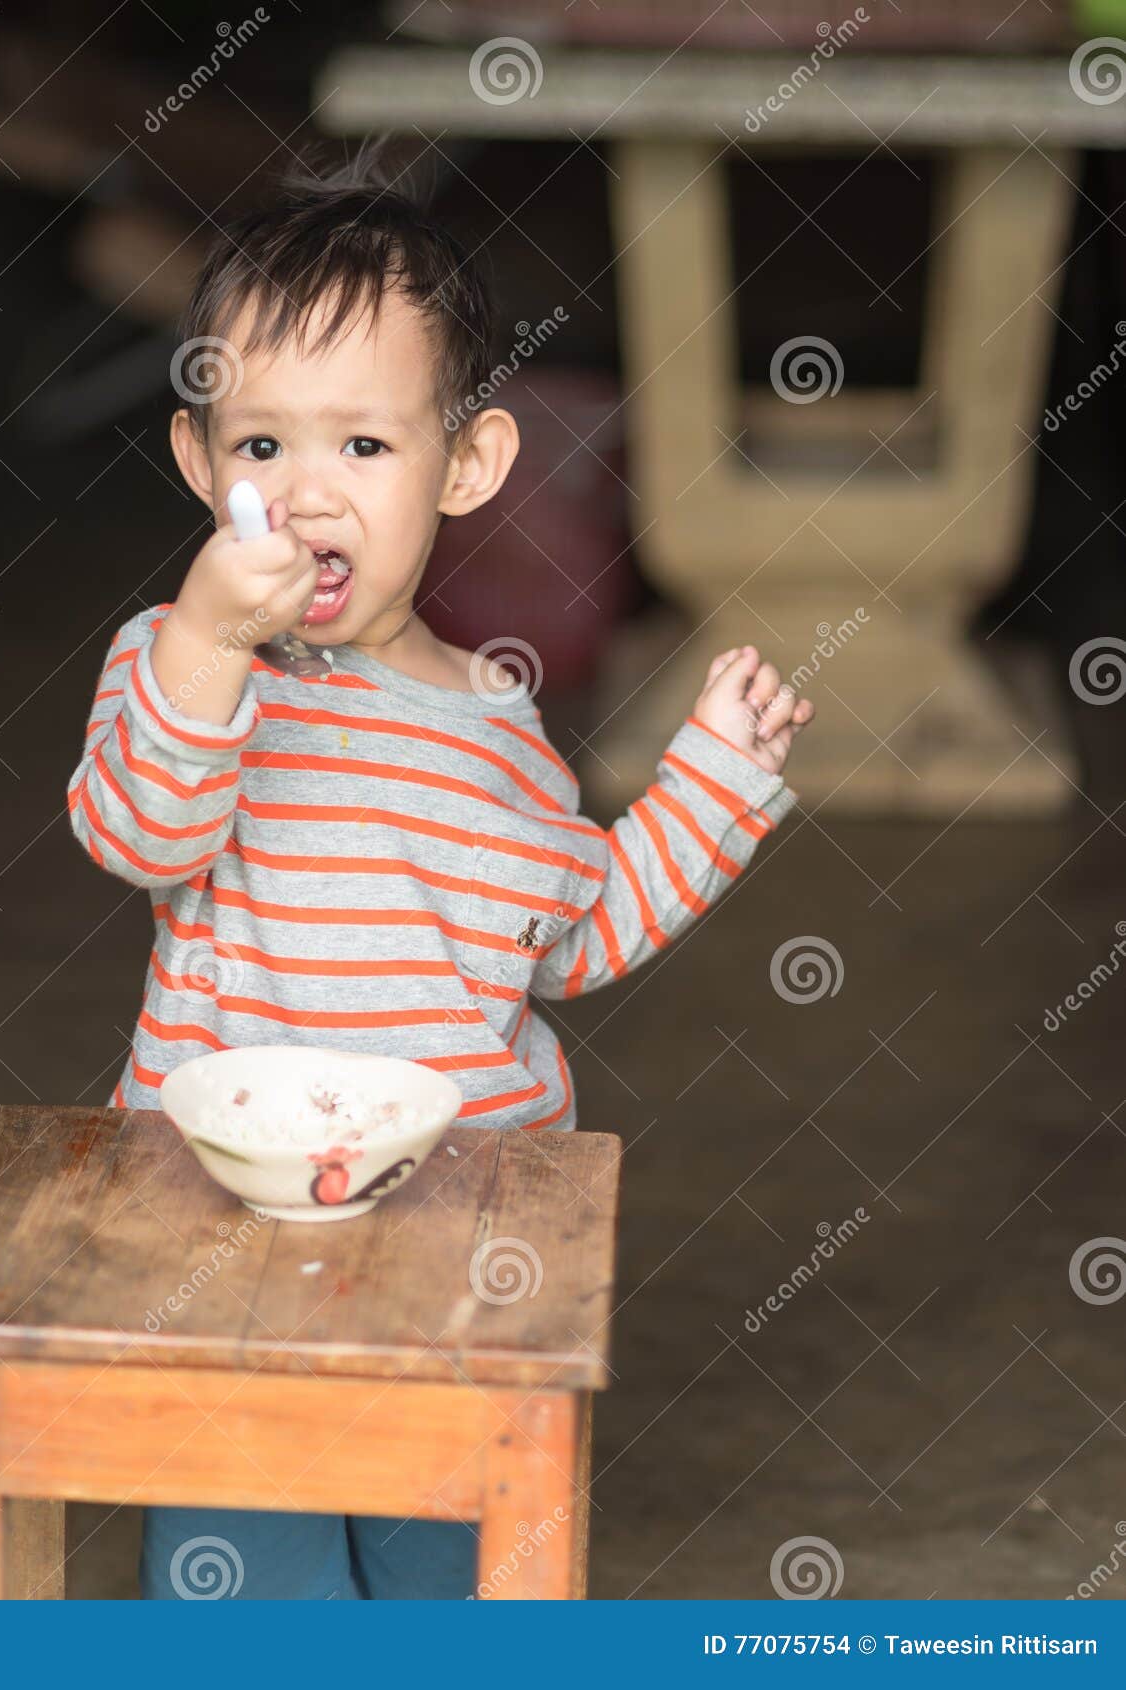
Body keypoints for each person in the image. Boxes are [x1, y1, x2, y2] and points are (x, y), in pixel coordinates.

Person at [66, 141, 815, 1600]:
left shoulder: (497, 724)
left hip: (466, 1244)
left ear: (463, 463)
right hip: (226, 1234)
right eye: (261, 446)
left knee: (449, 1574)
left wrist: (709, 781)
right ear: (199, 466)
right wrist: (208, 640)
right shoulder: (182, 676)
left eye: (362, 444)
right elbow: (137, 832)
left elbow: (572, 933)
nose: (307, 493)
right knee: (248, 1577)